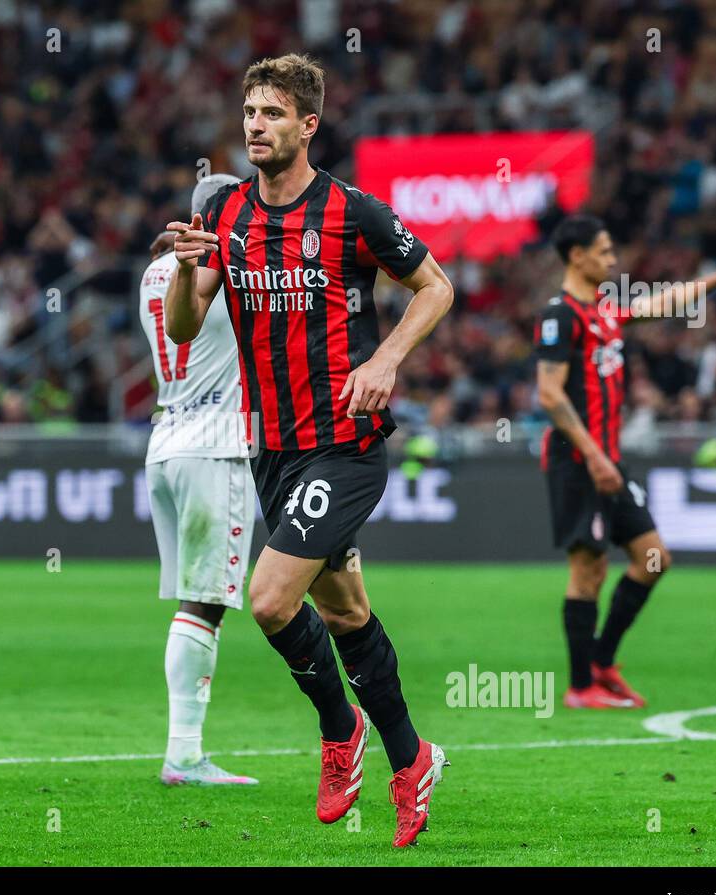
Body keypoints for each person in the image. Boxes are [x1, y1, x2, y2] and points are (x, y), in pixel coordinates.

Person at [163, 54, 455, 847]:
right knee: (346, 611)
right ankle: (412, 758)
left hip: (344, 444)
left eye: (271, 114)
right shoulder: (226, 219)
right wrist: (191, 275)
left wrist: (387, 358)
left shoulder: (354, 213)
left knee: (268, 599)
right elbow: (188, 331)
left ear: (307, 126)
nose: (254, 125)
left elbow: (437, 285)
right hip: (273, 450)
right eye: (249, 112)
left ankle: (340, 731)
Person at [534, 215, 716, 707]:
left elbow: (661, 303)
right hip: (579, 460)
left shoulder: (603, 311)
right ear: (576, 256)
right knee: (588, 570)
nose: (613, 260)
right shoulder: (561, 316)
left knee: (653, 557)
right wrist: (594, 456)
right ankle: (581, 687)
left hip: (608, 461)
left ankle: (601, 661)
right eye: (603, 251)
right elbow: (550, 395)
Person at [139, 174, 259, 787]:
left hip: (165, 439)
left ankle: (184, 753)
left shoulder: (154, 273)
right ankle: (183, 755)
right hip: (217, 445)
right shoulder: (230, 268)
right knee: (205, 601)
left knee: (197, 598)